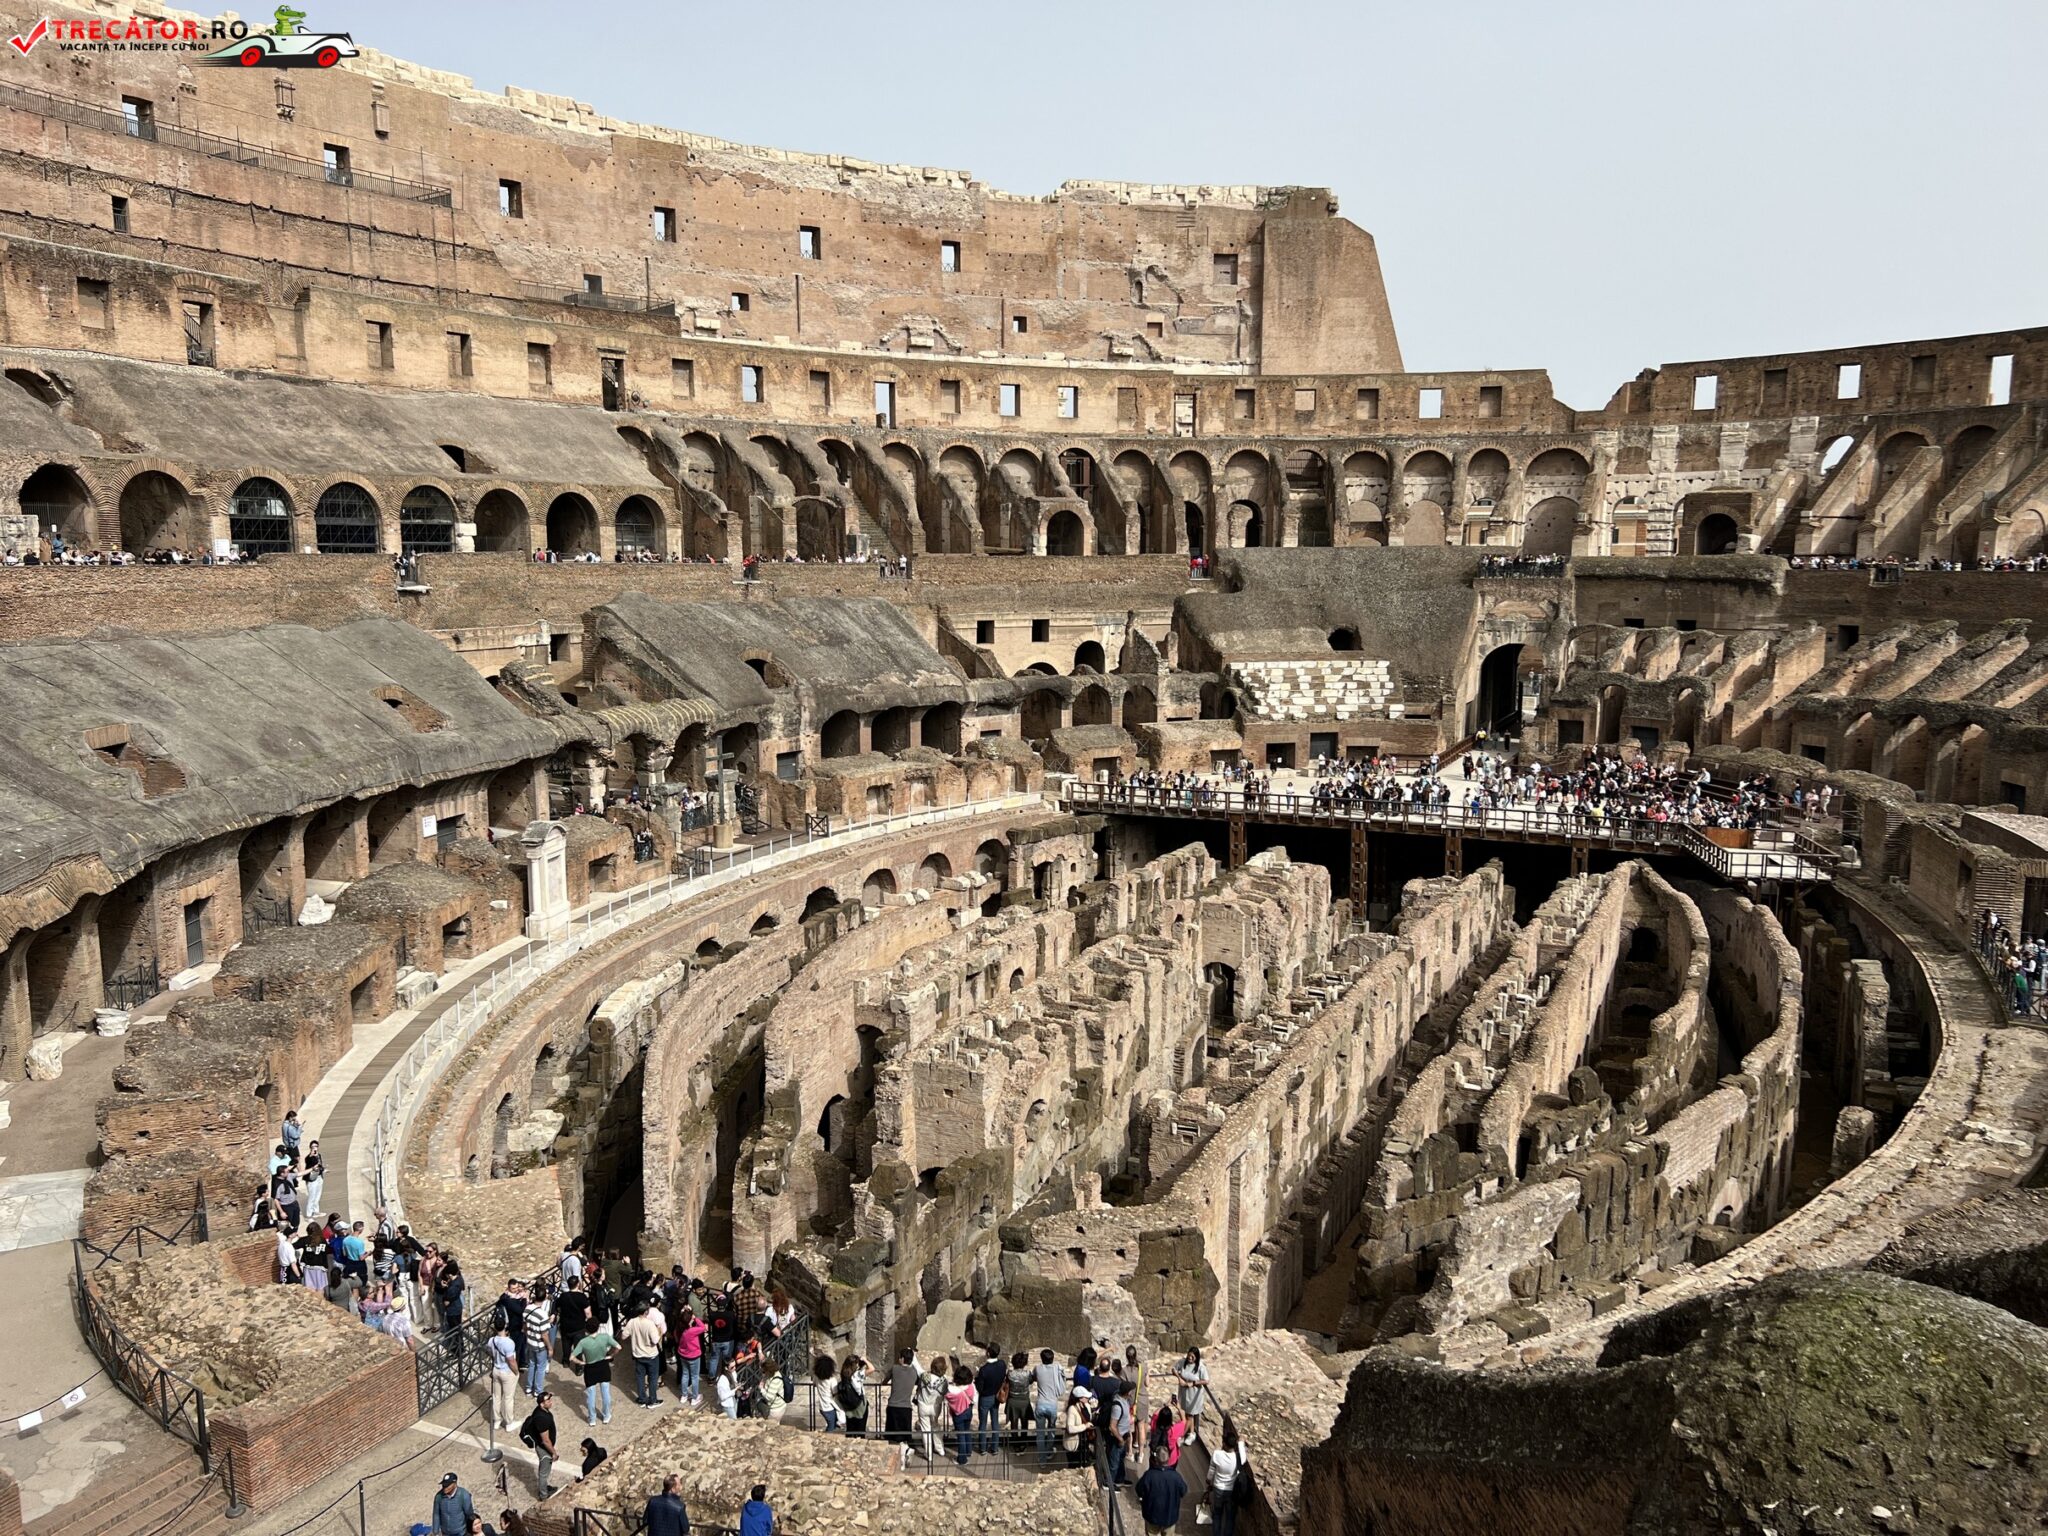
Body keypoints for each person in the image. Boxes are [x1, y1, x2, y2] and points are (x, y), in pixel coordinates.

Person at [1206, 1414, 1248, 1536]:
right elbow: (1243, 1457)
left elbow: (1211, 1471)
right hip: (1231, 1491)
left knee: (1217, 1514)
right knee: (1230, 1518)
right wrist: (1241, 1443)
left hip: (1218, 1489)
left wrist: (1208, 1481)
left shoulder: (1217, 1454)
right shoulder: (1238, 1457)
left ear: (1224, 1444)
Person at [622, 1296, 667, 1406]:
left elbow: (623, 1336)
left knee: (640, 1377)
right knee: (653, 1378)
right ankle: (653, 1400)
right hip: (651, 1355)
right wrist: (660, 1333)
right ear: (646, 1311)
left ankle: (642, 1398)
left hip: (638, 1354)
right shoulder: (649, 1324)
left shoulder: (632, 1322)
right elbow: (655, 1340)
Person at [572, 1322, 619, 1425]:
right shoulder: (605, 1337)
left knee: (591, 1395)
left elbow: (572, 1357)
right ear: (598, 1327)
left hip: (590, 1368)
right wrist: (611, 1355)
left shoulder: (583, 1342)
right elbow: (618, 1347)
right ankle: (606, 1415)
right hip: (603, 1365)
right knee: (605, 1392)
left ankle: (592, 1418)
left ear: (586, 1329)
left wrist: (581, 1362)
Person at [1138, 1446, 1188, 1535]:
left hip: (1152, 1516)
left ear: (1156, 1460)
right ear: (1168, 1459)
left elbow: (1139, 1490)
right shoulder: (1176, 1476)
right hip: (1170, 1517)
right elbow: (1183, 1491)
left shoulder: (1149, 1475)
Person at [519, 1392, 558, 1497]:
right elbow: (545, 1440)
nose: (551, 1402)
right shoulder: (542, 1418)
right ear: (542, 1404)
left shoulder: (540, 1410)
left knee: (545, 1471)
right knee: (544, 1472)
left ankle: (544, 1487)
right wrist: (554, 1453)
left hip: (544, 1446)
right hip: (544, 1448)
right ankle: (543, 1494)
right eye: (548, 1400)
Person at [1032, 1348, 1068, 1462]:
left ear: (1041, 1359)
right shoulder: (1057, 1368)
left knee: (1040, 1434)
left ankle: (1042, 1460)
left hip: (1040, 1404)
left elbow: (1033, 1377)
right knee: (1051, 1431)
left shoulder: (1037, 1368)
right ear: (1052, 1358)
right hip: (1052, 1405)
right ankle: (1048, 1451)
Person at [488, 1316, 519, 1430]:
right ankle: (509, 1423)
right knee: (508, 1398)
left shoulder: (491, 1340)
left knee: (496, 1397)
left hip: (496, 1370)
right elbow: (511, 1360)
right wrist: (516, 1372)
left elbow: (490, 1352)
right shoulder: (509, 1342)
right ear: (505, 1327)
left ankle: (497, 1420)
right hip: (507, 1371)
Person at [974, 1345, 1006, 1456]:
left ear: (988, 1353)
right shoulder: (1002, 1364)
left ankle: (983, 1448)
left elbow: (980, 1388)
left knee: (983, 1423)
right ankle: (995, 1448)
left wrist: (977, 1378)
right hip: (996, 1396)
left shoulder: (984, 1370)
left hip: (985, 1398)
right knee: (995, 1422)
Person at [674, 1306, 708, 1406]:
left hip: (683, 1355)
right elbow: (703, 1327)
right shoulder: (691, 1331)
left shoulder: (679, 1329)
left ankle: (684, 1395)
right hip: (693, 1356)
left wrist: (685, 1314)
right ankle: (694, 1397)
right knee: (694, 1377)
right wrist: (695, 1318)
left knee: (685, 1375)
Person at [1175, 1347, 1211, 1439]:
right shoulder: (1183, 1362)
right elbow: (1174, 1369)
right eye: (1189, 1355)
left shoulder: (1200, 1367)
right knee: (1187, 1413)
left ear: (1197, 1357)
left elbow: (1206, 1380)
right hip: (1185, 1394)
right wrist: (1179, 1378)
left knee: (1190, 1416)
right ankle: (1191, 1433)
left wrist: (1193, 1383)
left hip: (1194, 1395)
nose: (1190, 1358)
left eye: (1192, 1356)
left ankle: (1181, 1435)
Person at [522, 1294, 552, 1398]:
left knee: (531, 1364)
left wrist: (529, 1336)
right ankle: (538, 1390)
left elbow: (525, 1326)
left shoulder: (527, 1309)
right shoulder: (543, 1314)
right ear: (544, 1298)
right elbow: (544, 1335)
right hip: (540, 1345)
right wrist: (550, 1348)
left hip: (530, 1342)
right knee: (541, 1367)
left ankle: (528, 1388)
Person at [885, 1348, 917, 1444]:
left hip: (893, 1406)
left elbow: (885, 1380)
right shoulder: (914, 1372)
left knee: (892, 1438)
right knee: (905, 1437)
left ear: (902, 1359)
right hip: (906, 1408)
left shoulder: (895, 1369)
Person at [945, 1363, 975, 1466]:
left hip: (958, 1415)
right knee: (967, 1431)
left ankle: (962, 1459)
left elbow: (946, 1394)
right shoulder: (971, 1387)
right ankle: (968, 1451)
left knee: (961, 1435)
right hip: (968, 1411)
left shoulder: (952, 1391)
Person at [833, 1355, 869, 1438]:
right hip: (859, 1406)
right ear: (855, 1364)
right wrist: (865, 1360)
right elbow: (872, 1368)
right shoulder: (857, 1375)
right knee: (860, 1430)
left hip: (848, 1406)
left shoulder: (844, 1374)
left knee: (850, 1429)